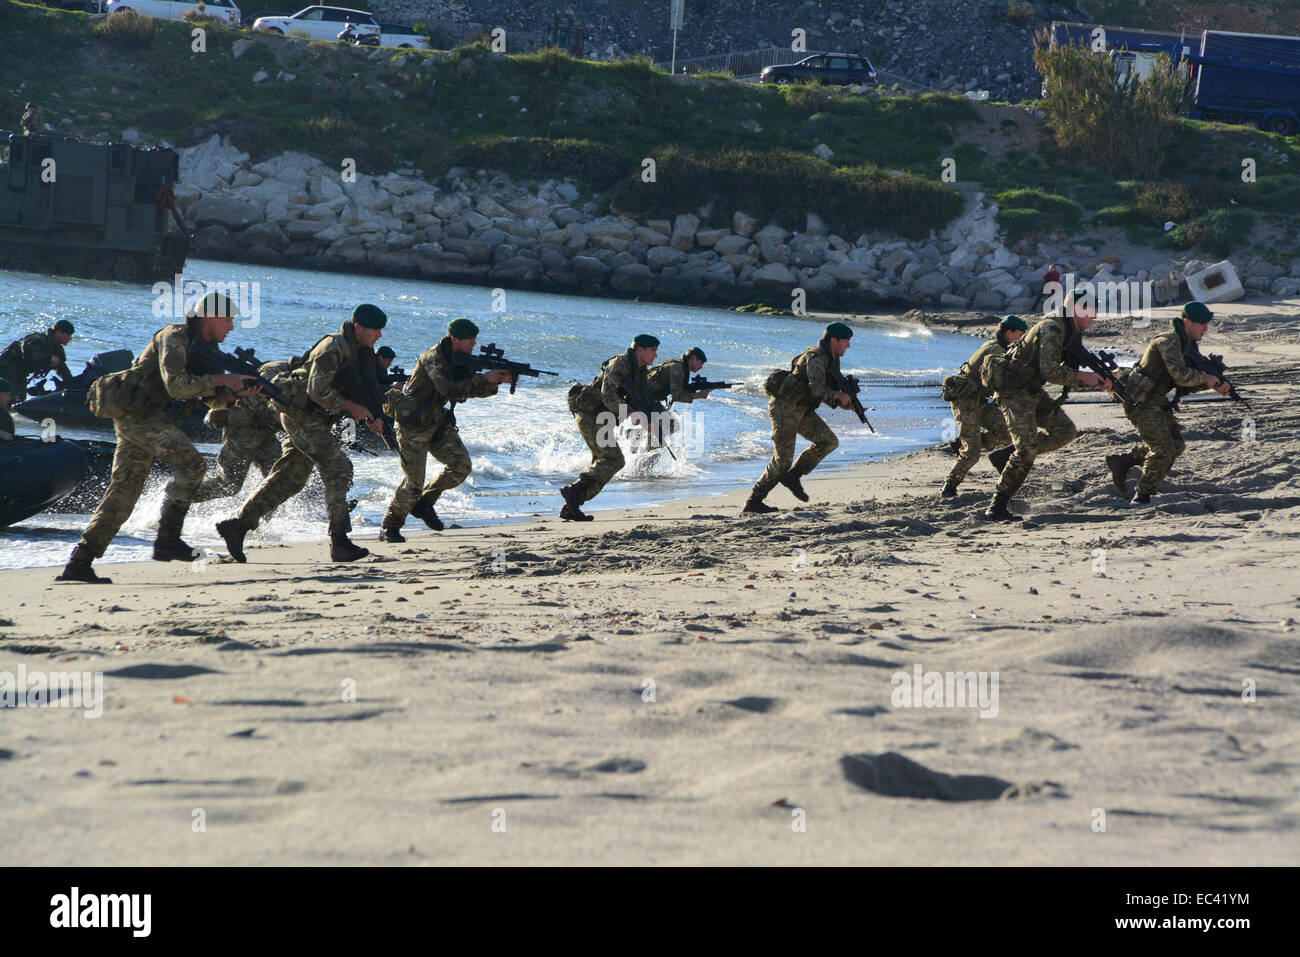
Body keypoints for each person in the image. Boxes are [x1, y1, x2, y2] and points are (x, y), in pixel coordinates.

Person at [56, 293, 261, 584]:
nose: (231, 327)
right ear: (210, 318)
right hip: (137, 413)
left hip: (145, 416)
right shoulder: (175, 336)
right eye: (227, 320)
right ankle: (167, 539)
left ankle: (80, 561)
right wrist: (221, 379)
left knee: (123, 493)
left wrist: (238, 392)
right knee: (192, 465)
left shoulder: (205, 348)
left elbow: (214, 400)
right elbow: (176, 385)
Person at [216, 304, 388, 563]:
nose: (380, 336)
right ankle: (340, 542)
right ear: (359, 327)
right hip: (300, 414)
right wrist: (353, 408)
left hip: (315, 418)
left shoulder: (361, 351)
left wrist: (372, 418)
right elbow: (316, 391)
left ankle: (238, 527)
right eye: (375, 330)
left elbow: (358, 389)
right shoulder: (333, 347)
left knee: (291, 478)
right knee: (338, 467)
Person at [982, 288, 1108, 521]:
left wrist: (1097, 380)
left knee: (1065, 431)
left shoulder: (1072, 330)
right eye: (1091, 310)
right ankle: (996, 506)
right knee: (1028, 449)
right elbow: (1050, 370)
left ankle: (1007, 455)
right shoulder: (1053, 328)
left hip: (1031, 391)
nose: (1095, 316)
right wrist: (1085, 378)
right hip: (1013, 393)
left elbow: (1069, 365)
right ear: (1075, 310)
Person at [379, 318, 510, 541]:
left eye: (475, 339)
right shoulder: (434, 357)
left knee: (461, 466)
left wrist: (494, 382)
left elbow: (466, 391)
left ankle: (424, 503)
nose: (473, 344)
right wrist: (483, 379)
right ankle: (389, 526)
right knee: (414, 482)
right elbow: (449, 389)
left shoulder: (461, 358)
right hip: (413, 424)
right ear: (454, 338)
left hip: (436, 421)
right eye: (470, 340)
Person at [1107, 301, 1231, 504]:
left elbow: (1183, 386)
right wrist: (1205, 378)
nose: (1205, 329)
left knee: (1176, 445)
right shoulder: (1168, 342)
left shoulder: (1187, 346)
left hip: (1156, 401)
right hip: (1140, 402)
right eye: (1201, 324)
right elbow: (1181, 375)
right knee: (1163, 450)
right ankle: (1142, 496)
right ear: (1187, 322)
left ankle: (1124, 461)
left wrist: (1213, 384)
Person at [744, 321, 854, 514]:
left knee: (828, 441)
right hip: (785, 408)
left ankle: (793, 477)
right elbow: (818, 389)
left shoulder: (832, 359)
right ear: (834, 340)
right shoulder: (817, 356)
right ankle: (754, 501)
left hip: (803, 410)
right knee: (783, 460)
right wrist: (837, 396)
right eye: (846, 341)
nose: (849, 345)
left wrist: (841, 403)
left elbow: (826, 389)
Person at [560, 333, 660, 522]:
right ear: (640, 350)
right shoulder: (620, 364)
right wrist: (632, 414)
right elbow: (608, 396)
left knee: (607, 462)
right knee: (613, 460)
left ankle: (571, 506)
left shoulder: (639, 370)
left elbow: (642, 395)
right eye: (653, 351)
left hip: (602, 418)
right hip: (590, 414)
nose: (655, 356)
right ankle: (574, 491)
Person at [941, 315, 1026, 498]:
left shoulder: (1000, 347)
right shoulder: (995, 350)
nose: (1021, 338)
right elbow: (997, 382)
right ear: (1008, 332)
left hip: (978, 401)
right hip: (965, 402)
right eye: (1020, 334)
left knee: (1006, 432)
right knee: (972, 453)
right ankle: (949, 487)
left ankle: (969, 442)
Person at [190, 382, 284, 504]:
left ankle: (252, 518)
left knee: (277, 482)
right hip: (242, 434)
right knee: (230, 483)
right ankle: (179, 495)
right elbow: (251, 393)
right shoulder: (274, 373)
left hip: (265, 434)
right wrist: (277, 415)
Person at [0, 319, 75, 403]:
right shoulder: (39, 339)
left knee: (20, 399)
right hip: (6, 367)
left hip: (20, 373)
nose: (70, 338)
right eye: (68, 335)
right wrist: (48, 358)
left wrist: (73, 385)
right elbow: (28, 356)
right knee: (8, 398)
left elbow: (63, 370)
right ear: (58, 332)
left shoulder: (57, 349)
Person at [648, 346, 713, 406]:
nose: (701, 367)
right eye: (701, 363)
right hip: (644, 395)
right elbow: (676, 396)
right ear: (693, 358)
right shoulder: (678, 368)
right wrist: (699, 395)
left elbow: (679, 388)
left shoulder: (680, 365)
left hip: (647, 395)